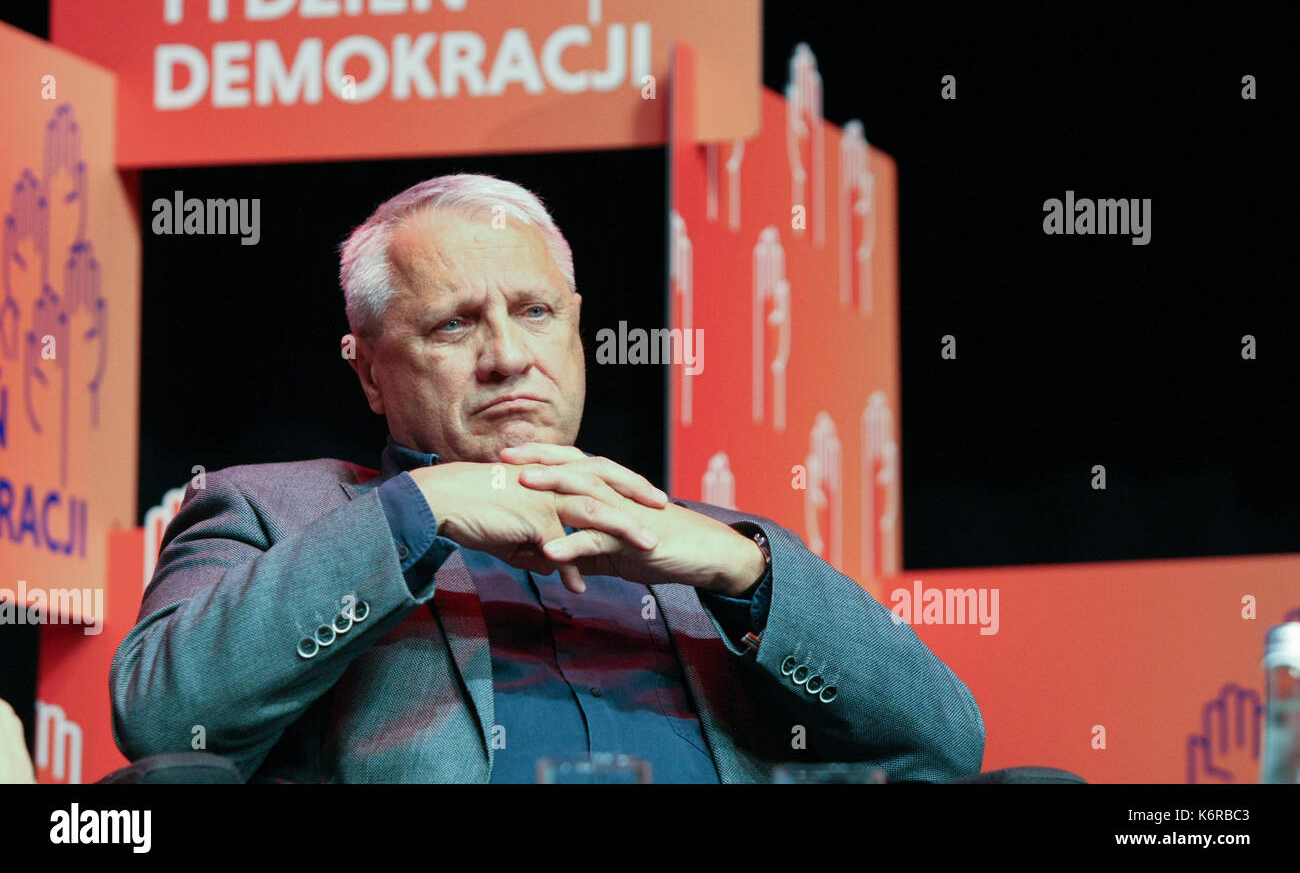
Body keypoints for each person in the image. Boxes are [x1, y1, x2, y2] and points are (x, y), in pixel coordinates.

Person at [110, 173, 984, 783]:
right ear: (370, 372)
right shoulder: (270, 509)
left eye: (534, 313)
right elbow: (161, 718)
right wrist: (414, 512)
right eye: (455, 326)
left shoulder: (707, 545)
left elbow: (947, 746)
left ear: (574, 330)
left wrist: (743, 573)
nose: (510, 358)